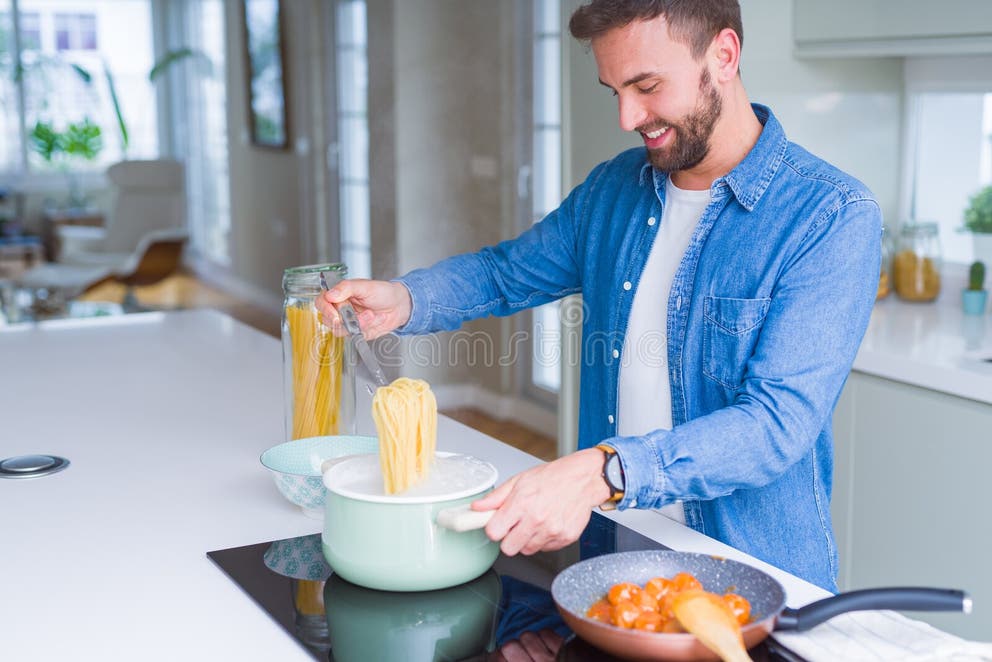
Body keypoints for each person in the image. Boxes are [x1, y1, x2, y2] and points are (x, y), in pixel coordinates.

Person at [317, 0, 881, 593]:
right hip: (614, 559)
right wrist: (404, 298)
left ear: (723, 55)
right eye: (614, 90)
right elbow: (505, 273)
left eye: (646, 86)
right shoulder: (616, 188)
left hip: (752, 581)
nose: (627, 116)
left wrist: (602, 472)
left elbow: (775, 425)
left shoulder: (830, 215)